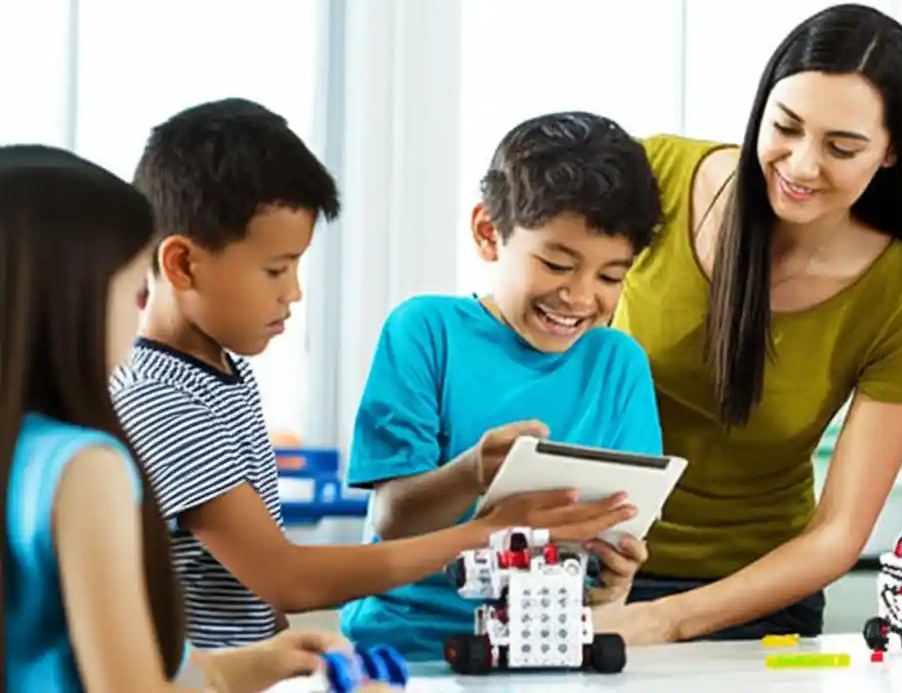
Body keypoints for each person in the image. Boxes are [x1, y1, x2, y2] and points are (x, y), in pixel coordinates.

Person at [108, 99, 637, 650]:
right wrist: (484, 534)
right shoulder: (162, 401)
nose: (293, 292)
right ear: (183, 265)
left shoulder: (218, 374)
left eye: (296, 267)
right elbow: (288, 579)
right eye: (275, 269)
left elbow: (251, 599)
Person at [600, 3, 902, 644]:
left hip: (754, 599)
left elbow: (841, 531)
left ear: (893, 150)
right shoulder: (656, 176)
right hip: (594, 567)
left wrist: (664, 619)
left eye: (842, 147)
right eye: (785, 126)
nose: (801, 165)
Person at [0, 143, 399, 692]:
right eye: (133, 291)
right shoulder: (82, 466)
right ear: (72, 300)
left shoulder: (26, 452)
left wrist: (269, 660)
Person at [339, 111, 664, 660]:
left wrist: (615, 581)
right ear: (490, 233)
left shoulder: (619, 363)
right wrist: (471, 472)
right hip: (408, 645)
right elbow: (393, 519)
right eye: (558, 263)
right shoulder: (426, 331)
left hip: (549, 646)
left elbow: (618, 532)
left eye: (611, 276)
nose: (581, 297)